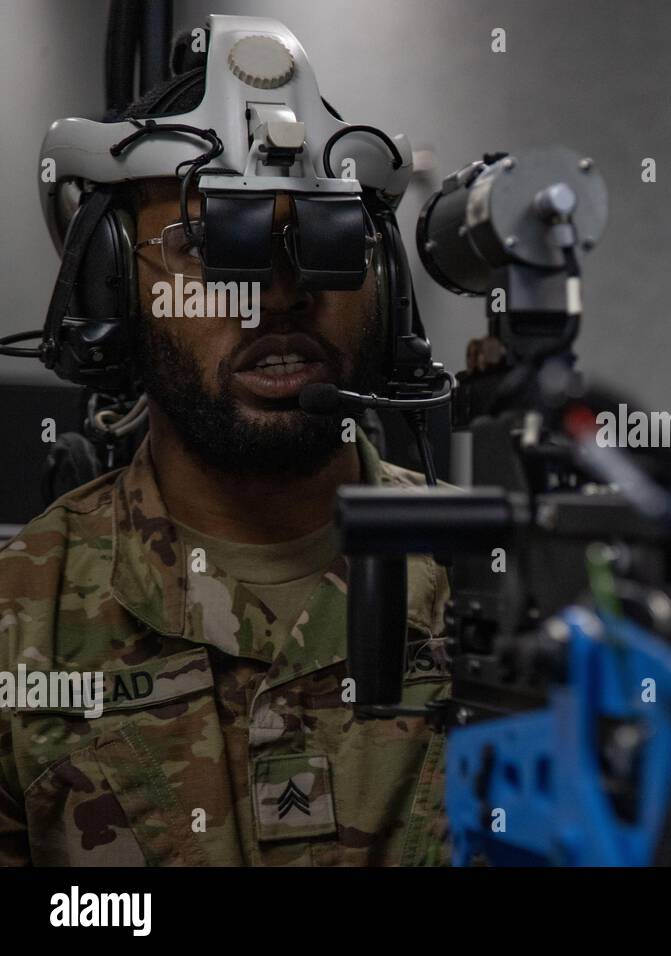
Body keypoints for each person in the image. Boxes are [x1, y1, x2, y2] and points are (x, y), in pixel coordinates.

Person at [0, 19, 452, 866]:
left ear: (383, 279)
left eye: (324, 245)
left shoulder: (499, 592)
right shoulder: (19, 621)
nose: (277, 298)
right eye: (222, 246)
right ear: (114, 290)